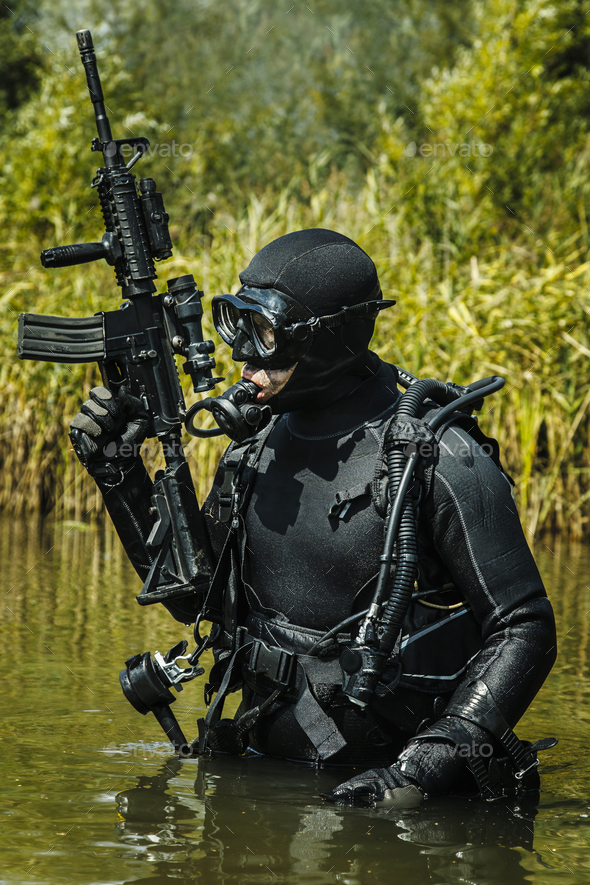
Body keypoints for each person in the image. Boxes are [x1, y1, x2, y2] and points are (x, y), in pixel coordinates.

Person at [70, 228, 557, 807]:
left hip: (392, 800)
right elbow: (194, 602)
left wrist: (417, 775)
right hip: (257, 782)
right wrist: (121, 478)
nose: (241, 352)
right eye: (233, 324)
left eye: (263, 331)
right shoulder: (255, 448)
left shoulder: (440, 459)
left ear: (326, 337)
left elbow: (525, 627)